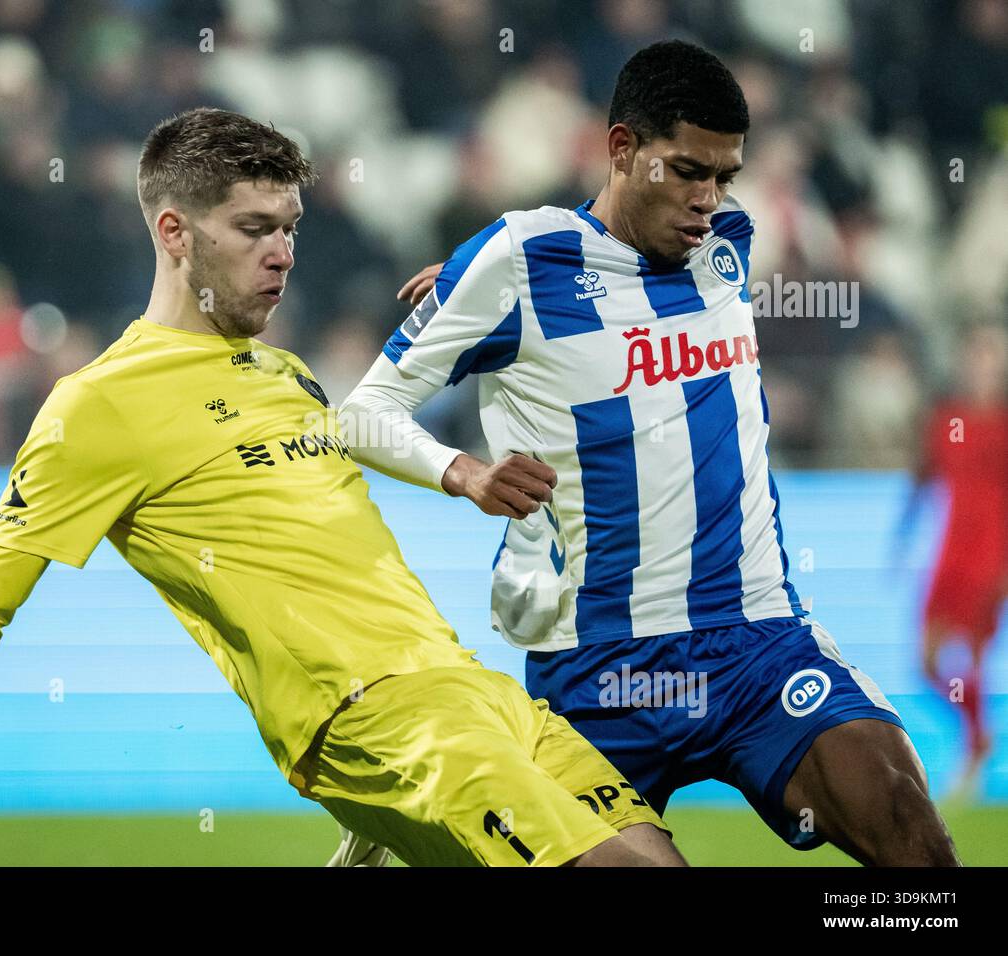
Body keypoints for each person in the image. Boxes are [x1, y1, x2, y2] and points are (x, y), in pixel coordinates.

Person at [0, 107, 680, 868]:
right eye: (253, 229)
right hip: (374, 721)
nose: (282, 251)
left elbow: (325, 555)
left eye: (289, 228)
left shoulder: (288, 374)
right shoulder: (98, 405)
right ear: (174, 232)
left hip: (473, 690)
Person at [335, 41, 959, 866]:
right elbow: (361, 413)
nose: (709, 199)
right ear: (623, 149)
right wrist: (466, 471)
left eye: (725, 176)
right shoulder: (520, 264)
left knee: (918, 849)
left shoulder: (728, 244)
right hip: (600, 672)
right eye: (688, 170)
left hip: (755, 642)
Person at [900, 323, 1008, 799]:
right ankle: (978, 735)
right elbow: (924, 475)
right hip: (950, 551)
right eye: (975, 355)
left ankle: (975, 750)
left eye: (990, 357)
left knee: (975, 657)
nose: (981, 365)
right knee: (925, 661)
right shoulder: (947, 418)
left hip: (991, 554)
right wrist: (900, 538)